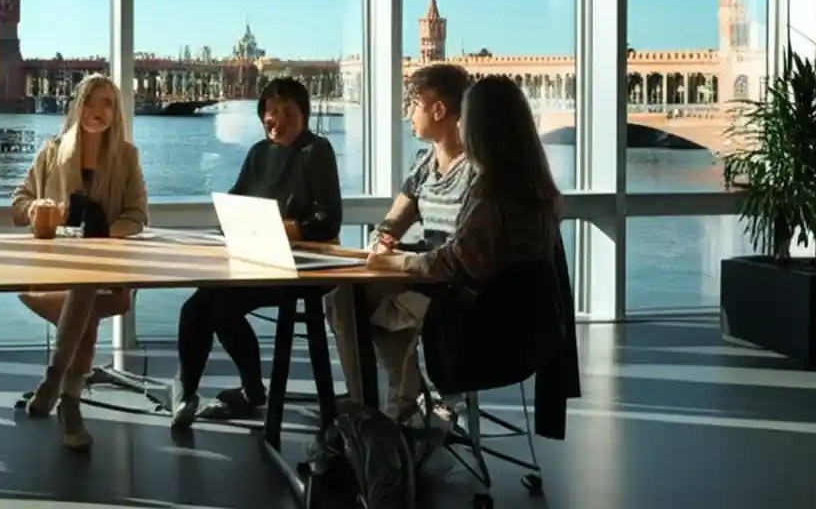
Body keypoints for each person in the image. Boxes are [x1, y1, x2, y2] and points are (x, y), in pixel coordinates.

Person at [361, 74, 562, 416]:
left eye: (465, 116)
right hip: (525, 330)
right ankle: (405, 410)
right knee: (370, 302)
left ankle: (400, 412)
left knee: (363, 304)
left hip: (478, 331)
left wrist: (396, 263)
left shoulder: (490, 192)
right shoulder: (534, 189)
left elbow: (457, 261)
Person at [171, 77, 342, 428]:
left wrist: (282, 228)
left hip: (304, 266)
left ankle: (252, 392)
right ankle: (186, 396)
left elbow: (327, 220)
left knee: (222, 309)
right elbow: (236, 199)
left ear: (304, 116)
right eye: (270, 112)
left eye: (288, 112)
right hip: (258, 259)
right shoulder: (259, 153)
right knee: (194, 309)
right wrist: (231, 225)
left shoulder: (317, 151)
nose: (276, 119)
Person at [327, 62, 475, 421]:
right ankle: (390, 399)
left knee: (356, 300)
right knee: (342, 295)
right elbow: (394, 220)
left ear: (438, 110)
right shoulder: (425, 165)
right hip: (422, 275)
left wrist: (393, 259)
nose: (408, 113)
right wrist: (383, 240)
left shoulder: (476, 170)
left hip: (453, 286)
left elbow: (465, 254)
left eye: (414, 103)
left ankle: (391, 403)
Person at [11, 75, 148, 451]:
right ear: (77, 105)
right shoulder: (52, 151)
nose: (97, 111)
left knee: (86, 283)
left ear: (115, 111)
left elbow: (138, 215)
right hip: (51, 273)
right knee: (84, 303)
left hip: (109, 278)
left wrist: (103, 239)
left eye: (107, 103)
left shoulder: (126, 156)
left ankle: (55, 382)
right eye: (90, 101)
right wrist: (35, 207)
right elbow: (17, 205)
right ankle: (69, 401)